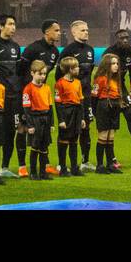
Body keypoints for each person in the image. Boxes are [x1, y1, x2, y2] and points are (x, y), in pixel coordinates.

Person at [18, 19, 62, 176]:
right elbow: (20, 71)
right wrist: (25, 91)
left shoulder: (55, 53)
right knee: (23, 129)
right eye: (56, 30)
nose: (59, 33)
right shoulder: (32, 49)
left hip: (41, 93)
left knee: (43, 132)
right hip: (27, 93)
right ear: (47, 32)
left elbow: (47, 74)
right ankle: (22, 166)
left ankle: (46, 165)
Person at [0, 14, 24, 178]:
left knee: (11, 131)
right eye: (10, 24)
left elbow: (17, 70)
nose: (13, 27)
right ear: (1, 26)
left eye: (14, 24)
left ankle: (4, 167)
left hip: (13, 96)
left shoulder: (16, 47)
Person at [59, 20, 95, 172]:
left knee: (86, 128)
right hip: (70, 100)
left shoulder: (90, 50)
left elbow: (89, 73)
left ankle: (85, 161)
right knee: (68, 131)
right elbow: (59, 78)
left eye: (87, 30)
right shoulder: (67, 51)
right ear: (73, 32)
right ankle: (63, 163)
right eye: (82, 30)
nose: (86, 32)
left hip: (86, 98)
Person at [105, 28, 131, 168]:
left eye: (127, 37)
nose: (125, 40)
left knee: (130, 116)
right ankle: (111, 158)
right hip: (109, 89)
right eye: (122, 38)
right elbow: (104, 77)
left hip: (122, 88)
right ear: (116, 39)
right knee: (111, 124)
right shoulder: (109, 53)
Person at [90, 53, 126, 174]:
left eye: (117, 63)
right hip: (104, 106)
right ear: (107, 65)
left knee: (111, 137)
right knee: (103, 137)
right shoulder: (100, 79)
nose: (116, 66)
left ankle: (110, 164)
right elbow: (94, 98)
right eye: (113, 64)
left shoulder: (116, 79)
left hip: (114, 107)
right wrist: (96, 113)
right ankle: (100, 165)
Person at [19, 61, 54, 181]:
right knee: (35, 146)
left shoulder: (47, 88)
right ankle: (33, 172)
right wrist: (30, 125)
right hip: (34, 119)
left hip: (45, 119)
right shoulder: (28, 89)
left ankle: (43, 172)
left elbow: (50, 107)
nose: (43, 76)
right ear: (32, 73)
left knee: (44, 147)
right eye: (40, 74)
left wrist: (51, 123)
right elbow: (26, 109)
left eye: (44, 74)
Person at [54, 56, 86, 177]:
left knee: (74, 141)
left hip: (77, 112)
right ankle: (62, 168)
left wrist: (82, 118)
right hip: (66, 112)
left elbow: (81, 100)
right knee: (63, 141)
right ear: (69, 69)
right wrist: (61, 120)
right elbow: (58, 103)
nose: (78, 69)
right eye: (76, 67)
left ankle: (74, 167)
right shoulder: (60, 83)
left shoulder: (78, 82)